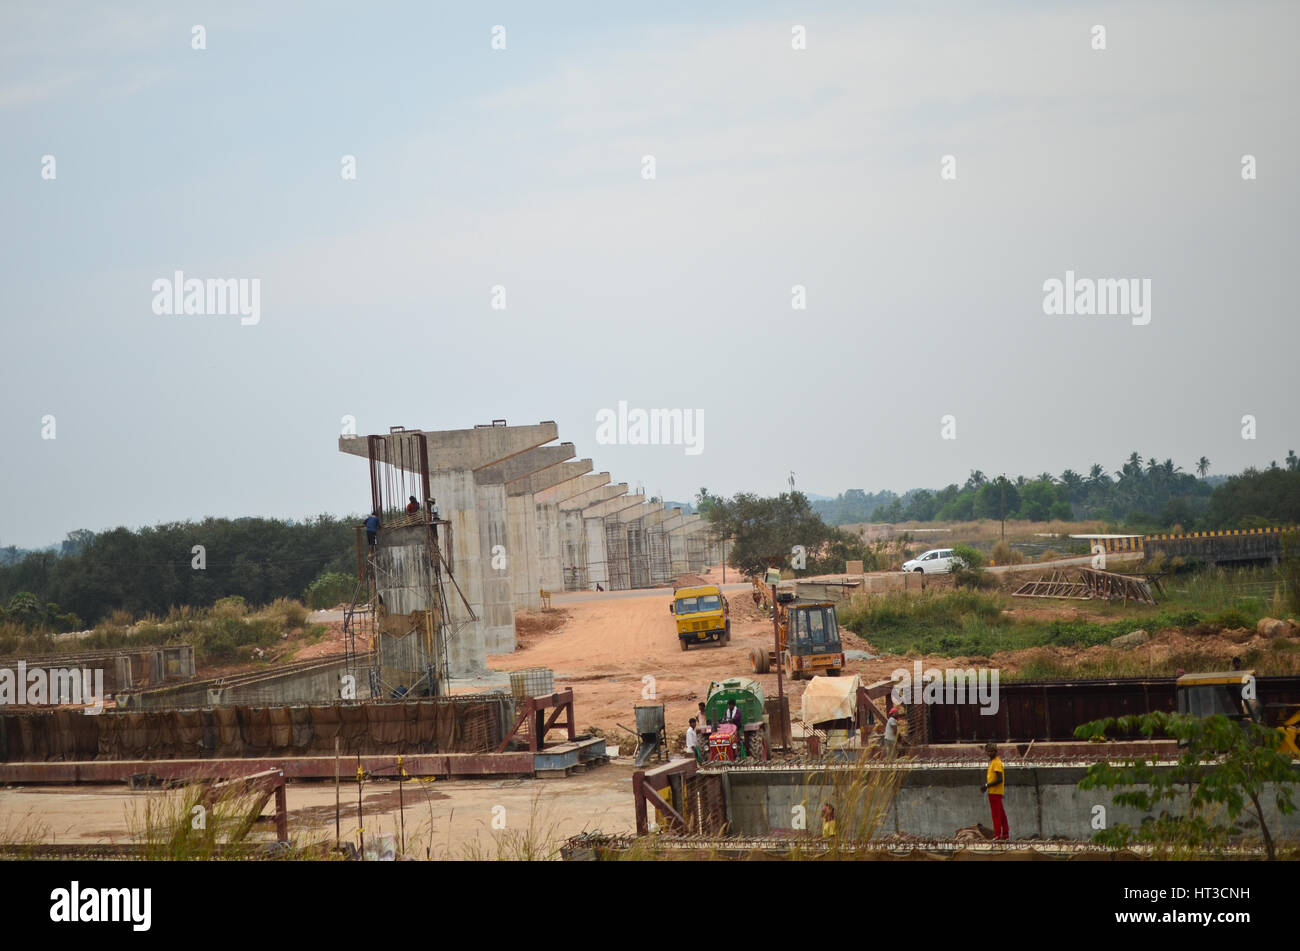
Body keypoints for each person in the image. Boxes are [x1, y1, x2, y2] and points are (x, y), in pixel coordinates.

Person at [980, 742, 1009, 840]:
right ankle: (1005, 834)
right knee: (1001, 815)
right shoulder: (994, 762)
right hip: (996, 792)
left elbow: (999, 779)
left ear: (996, 752)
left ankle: (997, 835)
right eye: (988, 751)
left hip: (994, 793)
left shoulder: (996, 763)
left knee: (996, 815)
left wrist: (987, 785)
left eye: (992, 751)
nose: (990, 753)